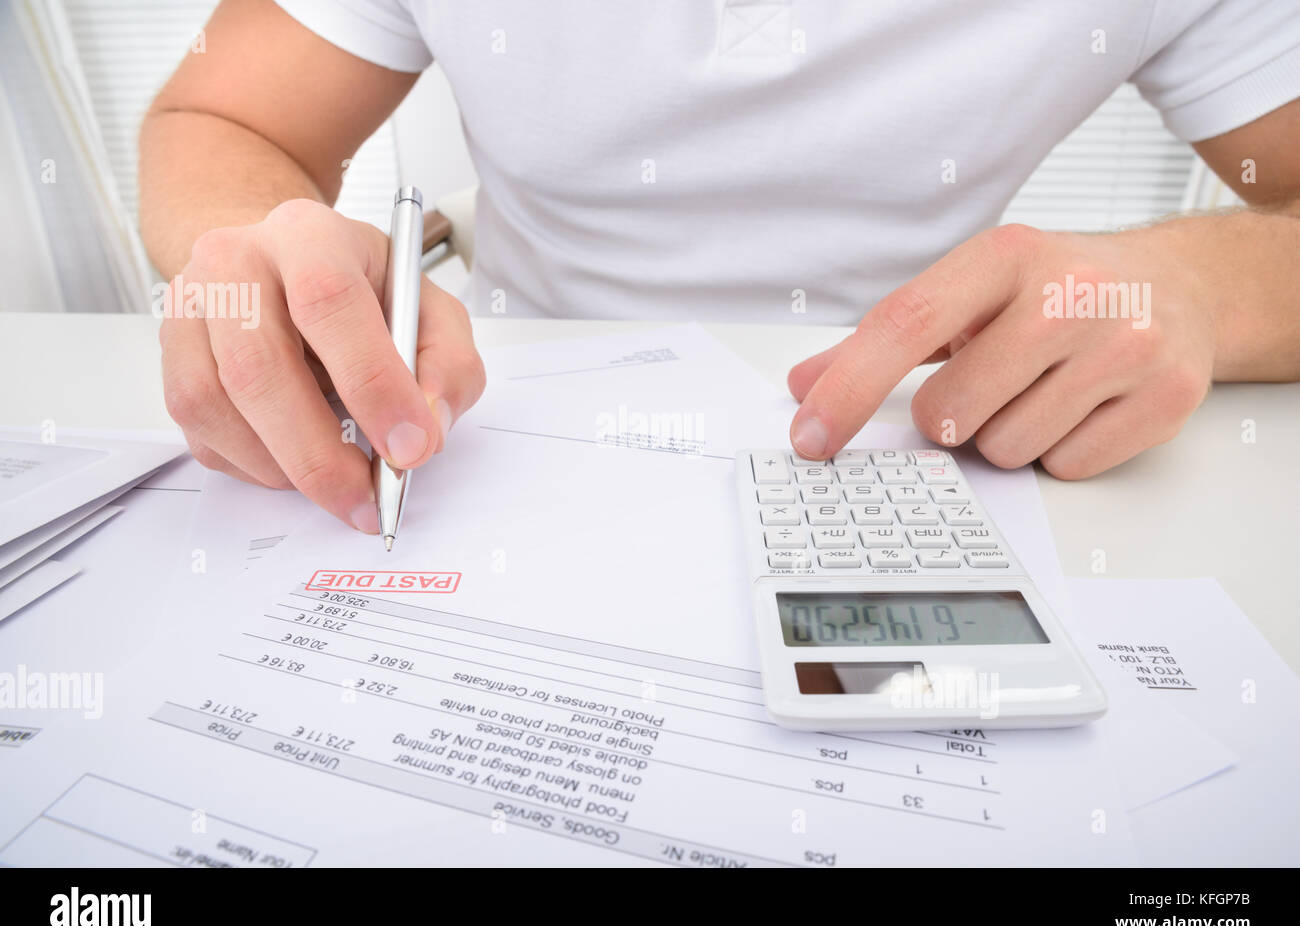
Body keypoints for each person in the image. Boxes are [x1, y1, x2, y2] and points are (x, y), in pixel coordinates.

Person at [139, 0, 1300, 534]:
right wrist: (257, 256)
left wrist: (1193, 284)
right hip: (491, 434)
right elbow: (224, 122)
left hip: (923, 441)